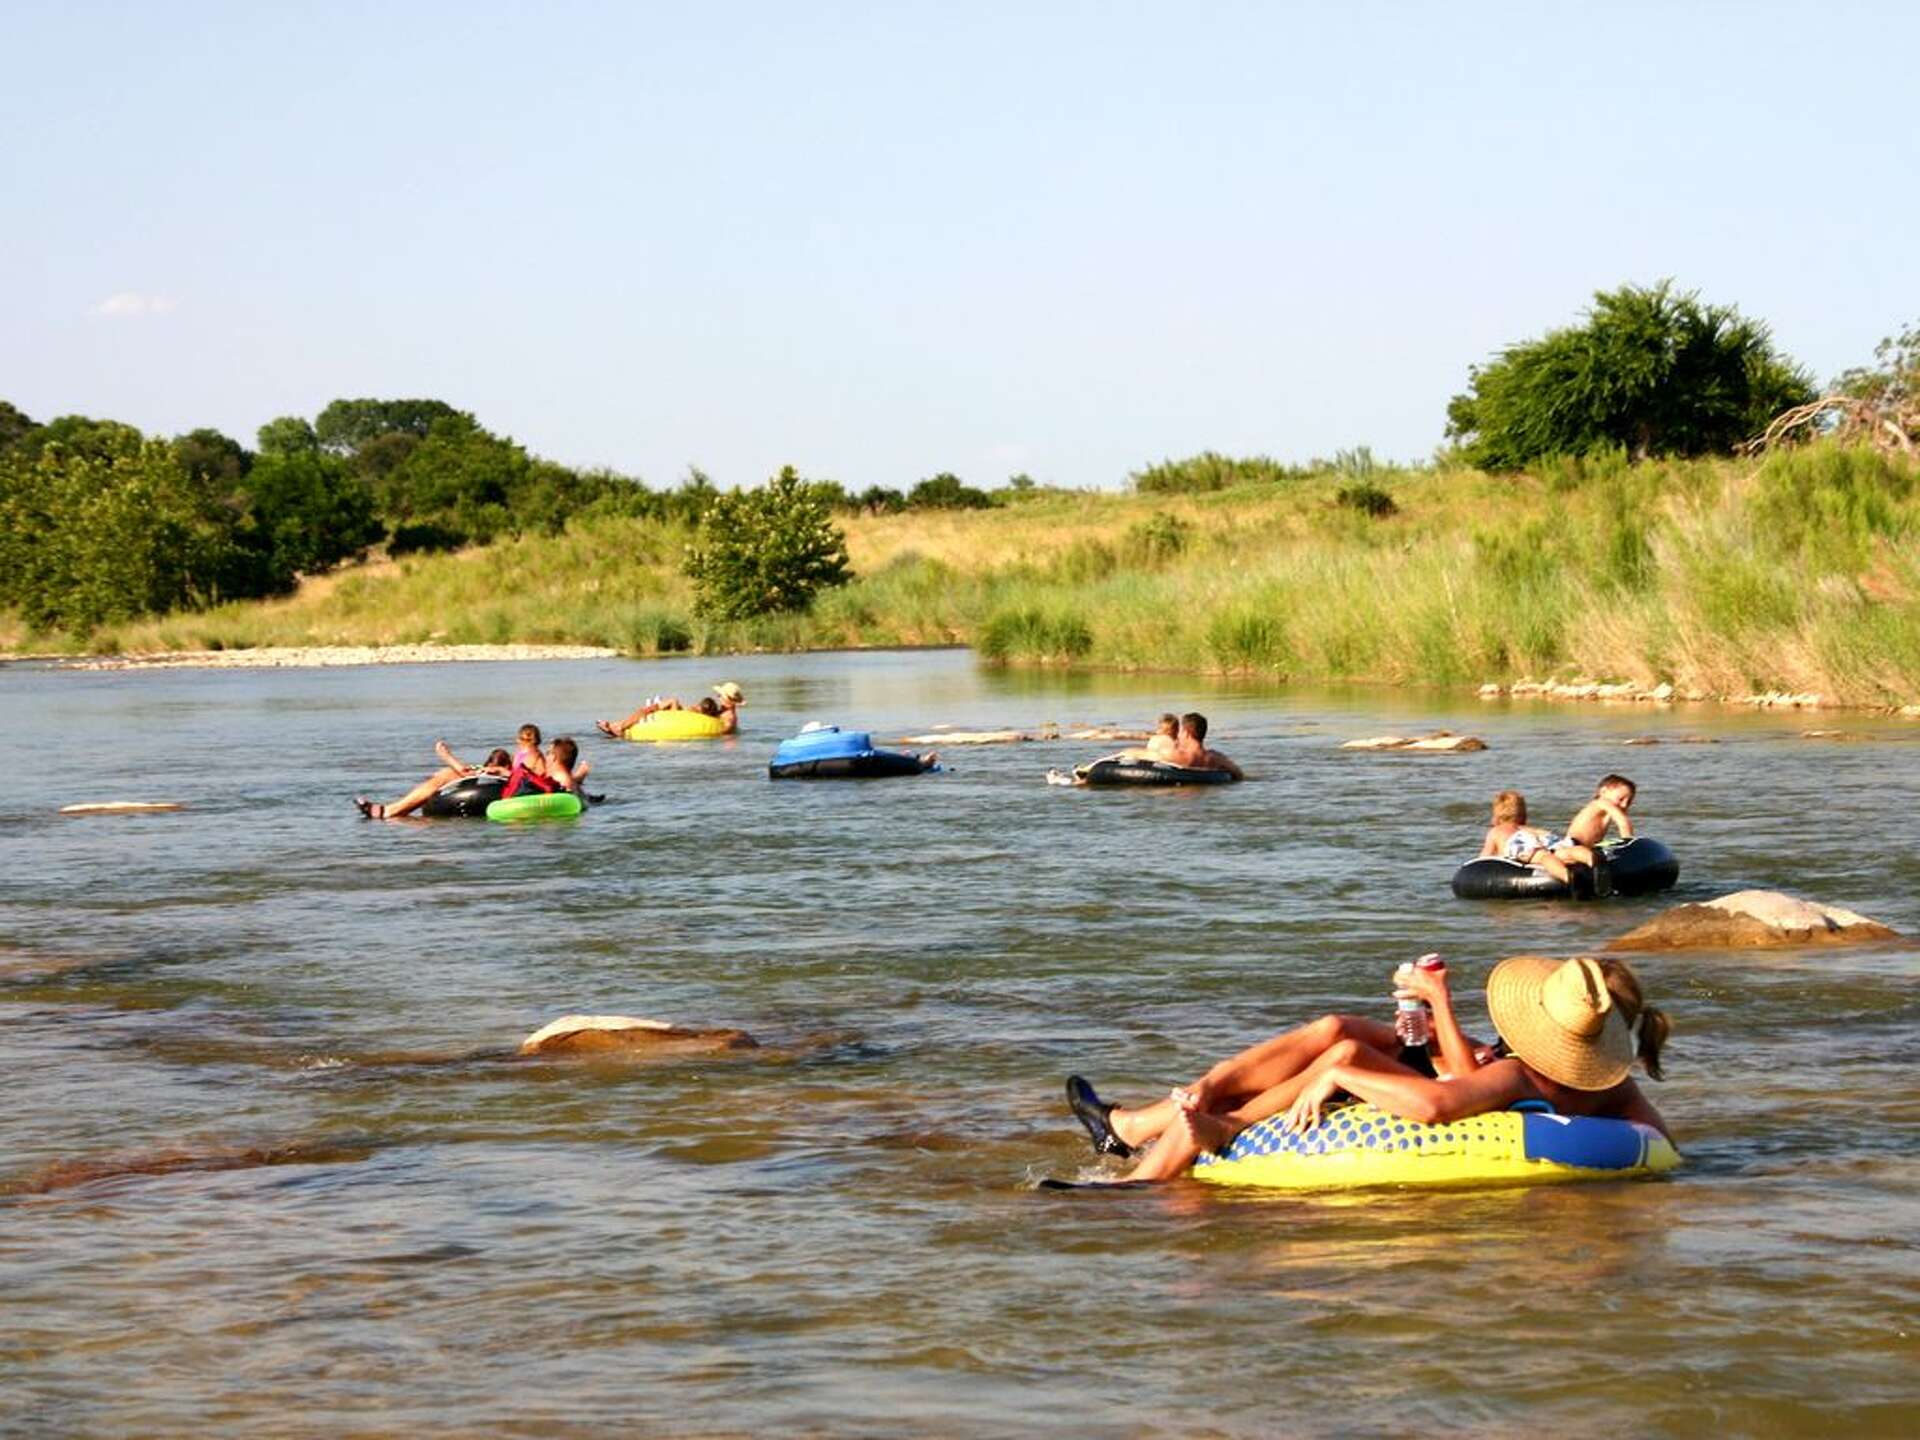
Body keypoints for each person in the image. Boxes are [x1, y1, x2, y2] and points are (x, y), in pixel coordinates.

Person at [1068, 955, 1670, 1183]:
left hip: (1482, 1112)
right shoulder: (1611, 1083)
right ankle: (1139, 1125)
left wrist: (1435, 1005)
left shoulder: (1526, 1076)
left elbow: (1448, 1099)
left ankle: (1169, 1158)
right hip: (1480, 1091)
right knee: (1335, 1028)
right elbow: (1662, 1145)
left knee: (1343, 1054)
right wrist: (1433, 1021)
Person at [355, 742, 514, 820]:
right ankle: (394, 811)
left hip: (500, 789)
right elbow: (469, 772)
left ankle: (389, 811)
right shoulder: (488, 770)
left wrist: (446, 756)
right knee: (444, 774)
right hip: (486, 785)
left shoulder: (504, 774)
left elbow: (464, 772)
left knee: (447, 773)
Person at [1477, 789, 1595, 886]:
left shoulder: (1497, 831)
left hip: (1519, 841)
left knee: (1543, 857)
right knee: (1563, 851)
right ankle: (1592, 860)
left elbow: (1484, 859)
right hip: (1543, 835)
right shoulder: (1529, 829)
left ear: (1497, 815)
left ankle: (1568, 877)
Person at [596, 682, 745, 737]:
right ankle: (619, 725)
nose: (718, 697)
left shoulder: (729, 718)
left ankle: (619, 727)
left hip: (682, 722)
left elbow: (724, 733)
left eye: (720, 695)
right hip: (683, 718)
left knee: (669, 702)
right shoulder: (722, 711)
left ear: (728, 699)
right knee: (664, 704)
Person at [1565, 774, 1637, 848]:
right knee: (1586, 854)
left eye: (1629, 802)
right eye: (1620, 799)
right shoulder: (1602, 803)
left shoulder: (1608, 809)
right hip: (1573, 844)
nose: (1624, 805)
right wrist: (1629, 844)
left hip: (1587, 846)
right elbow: (1622, 822)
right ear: (1603, 792)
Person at [1169, 712, 1244, 779]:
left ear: (1186, 733)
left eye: (1179, 732)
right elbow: (1239, 774)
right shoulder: (1217, 758)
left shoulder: (1175, 755)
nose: (1177, 736)